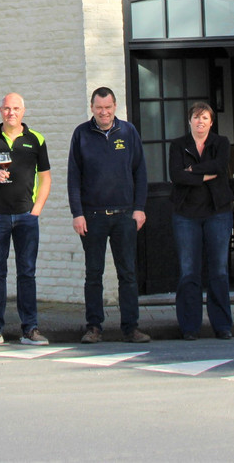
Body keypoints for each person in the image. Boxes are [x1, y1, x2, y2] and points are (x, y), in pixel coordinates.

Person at [68, 87, 150, 344]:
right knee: (93, 273)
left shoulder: (128, 132)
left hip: (124, 215)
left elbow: (140, 172)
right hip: (92, 217)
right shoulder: (81, 134)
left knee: (127, 273)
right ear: (92, 107)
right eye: (99, 107)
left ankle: (130, 328)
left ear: (115, 107)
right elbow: (73, 177)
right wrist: (77, 214)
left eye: (108, 107)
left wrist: (139, 208)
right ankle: (94, 327)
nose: (104, 112)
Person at [0, 92, 52, 347]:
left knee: (27, 272)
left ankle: (30, 329)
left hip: (27, 216)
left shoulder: (36, 140)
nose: (11, 113)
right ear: (0, 111)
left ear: (23, 111)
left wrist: (36, 209)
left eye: (15, 108)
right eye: (7, 108)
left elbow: (46, 178)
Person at [168, 101, 233, 340]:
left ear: (211, 122)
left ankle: (223, 326)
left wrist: (191, 171)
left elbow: (220, 167)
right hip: (185, 215)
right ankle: (189, 327)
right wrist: (204, 175)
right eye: (196, 117)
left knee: (219, 270)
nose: (200, 121)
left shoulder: (221, 143)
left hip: (218, 213)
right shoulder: (178, 145)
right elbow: (175, 175)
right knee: (188, 272)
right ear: (189, 121)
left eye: (205, 118)